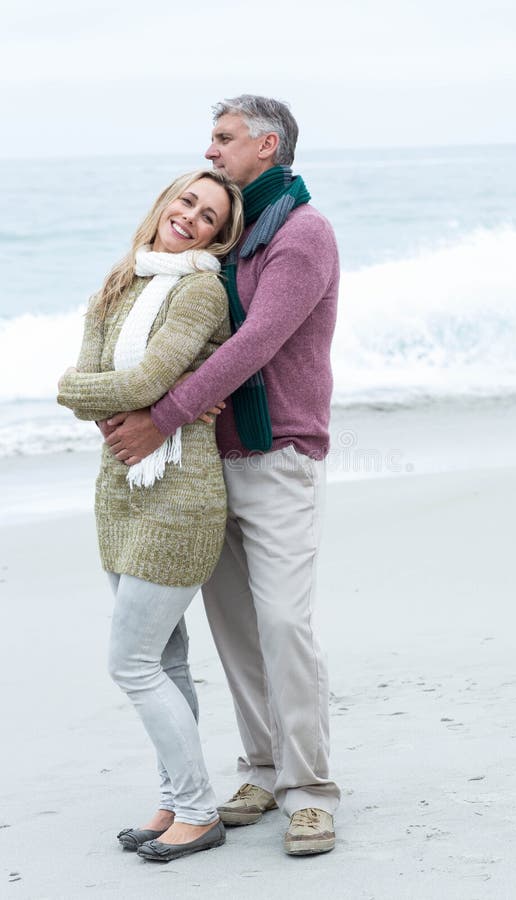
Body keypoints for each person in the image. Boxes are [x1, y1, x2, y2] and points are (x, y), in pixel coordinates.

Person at [102, 95, 341, 856]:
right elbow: (193, 338)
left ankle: (310, 791)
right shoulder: (231, 241)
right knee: (235, 629)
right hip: (208, 464)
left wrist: (163, 415)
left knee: (284, 625)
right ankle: (264, 770)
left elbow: (255, 343)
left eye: (223, 137)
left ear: (267, 145)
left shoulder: (301, 234)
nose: (210, 150)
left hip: (279, 456)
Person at [57, 169, 244, 862]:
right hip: (119, 487)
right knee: (165, 660)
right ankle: (174, 801)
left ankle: (198, 810)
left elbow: (140, 381)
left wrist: (77, 389)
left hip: (180, 495)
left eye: (209, 217)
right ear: (166, 201)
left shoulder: (200, 290)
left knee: (131, 662)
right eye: (187, 201)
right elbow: (97, 387)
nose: (191, 217)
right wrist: (88, 391)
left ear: (217, 237)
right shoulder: (120, 282)